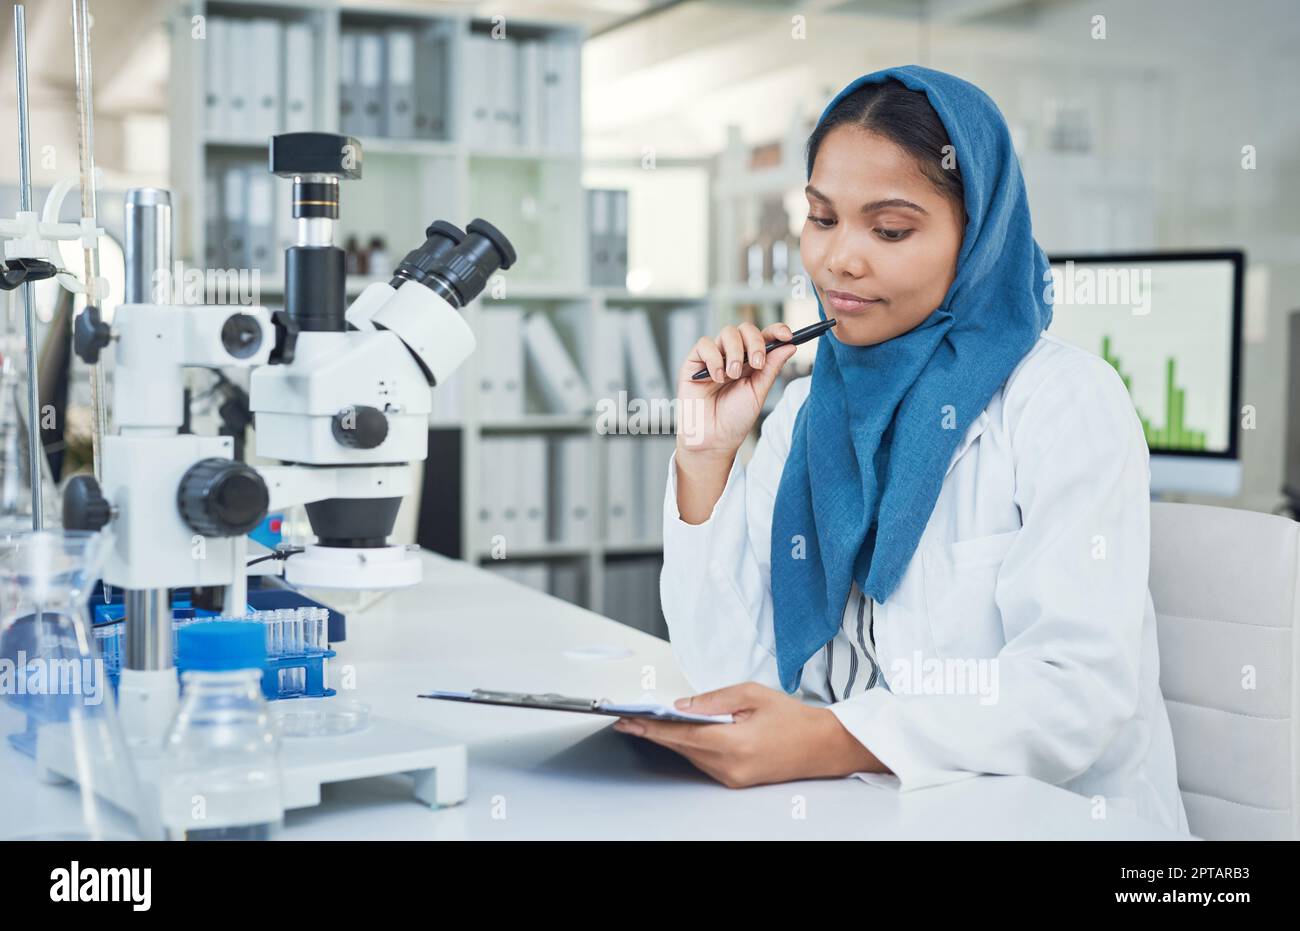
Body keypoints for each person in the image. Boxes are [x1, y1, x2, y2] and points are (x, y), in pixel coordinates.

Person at [613, 65, 1189, 834]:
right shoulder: (807, 411)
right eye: (821, 218)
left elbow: (1074, 692)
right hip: (856, 811)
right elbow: (732, 678)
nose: (839, 260)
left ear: (976, 233)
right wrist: (706, 457)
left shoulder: (1062, 401)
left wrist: (830, 737)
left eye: (889, 230)